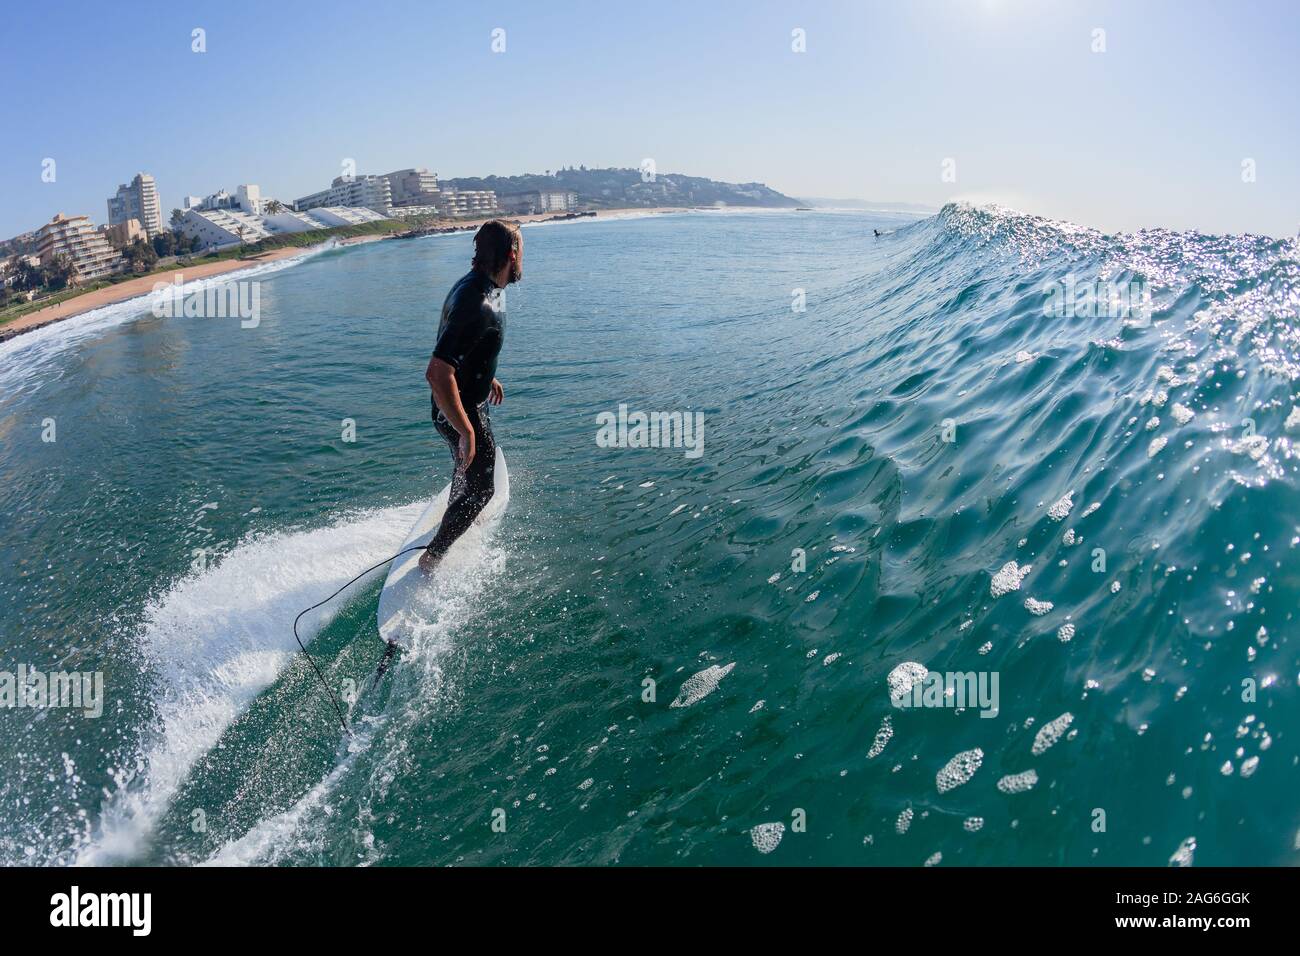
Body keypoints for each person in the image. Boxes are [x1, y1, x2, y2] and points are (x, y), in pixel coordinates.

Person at [419, 219, 522, 575]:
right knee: (483, 490)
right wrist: (466, 430)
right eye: (521, 251)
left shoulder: (478, 287)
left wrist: (487, 375)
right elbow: (437, 372)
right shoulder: (478, 303)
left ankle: (456, 511)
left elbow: (465, 347)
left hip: (463, 402)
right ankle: (432, 557)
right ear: (511, 254)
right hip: (459, 409)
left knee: (467, 469)